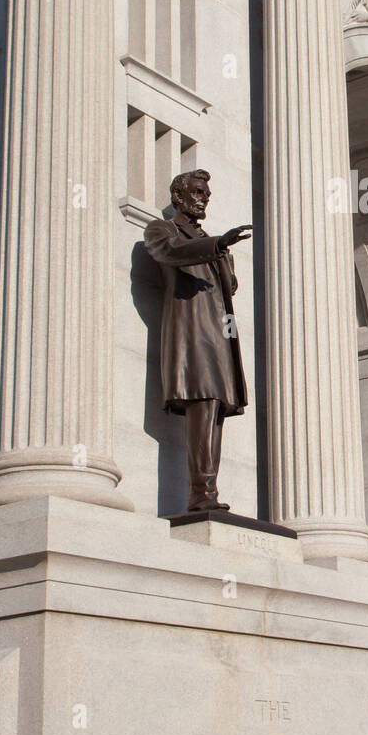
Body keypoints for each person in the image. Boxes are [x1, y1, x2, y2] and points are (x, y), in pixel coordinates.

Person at [144, 169, 251, 513]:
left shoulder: (208, 240)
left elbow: (229, 286)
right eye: (198, 191)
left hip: (220, 336)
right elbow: (169, 253)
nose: (205, 197)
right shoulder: (164, 229)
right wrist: (217, 244)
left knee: (216, 407)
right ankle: (201, 493)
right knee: (203, 405)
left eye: (207, 193)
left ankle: (209, 490)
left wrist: (223, 254)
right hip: (192, 337)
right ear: (179, 196)